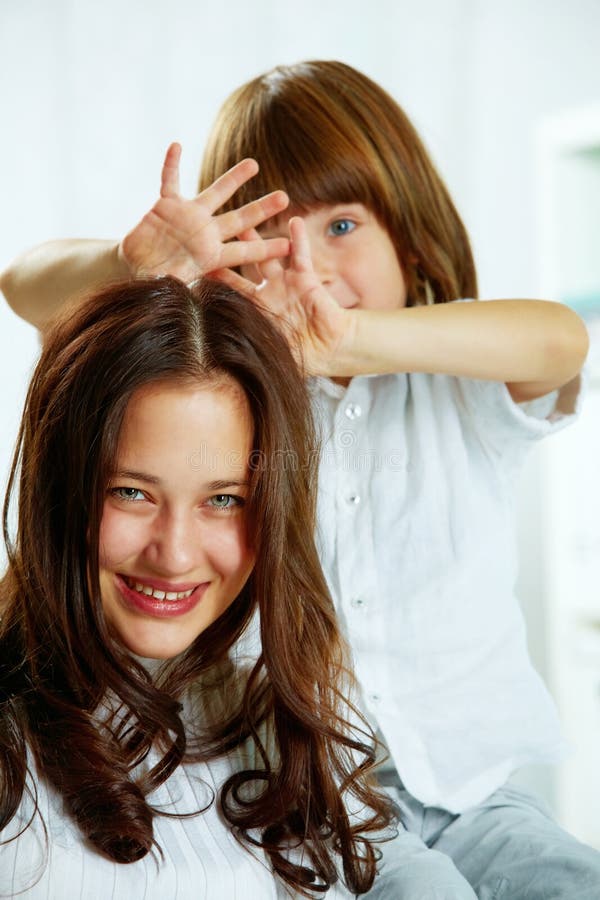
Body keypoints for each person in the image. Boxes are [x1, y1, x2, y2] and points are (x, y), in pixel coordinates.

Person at [1, 59, 598, 897]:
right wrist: (131, 263)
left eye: (342, 226)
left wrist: (355, 340)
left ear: (411, 238)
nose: (307, 266)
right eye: (274, 238)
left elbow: (561, 341)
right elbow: (24, 285)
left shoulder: (460, 393)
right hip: (321, 788)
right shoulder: (241, 406)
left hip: (479, 792)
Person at [0, 275, 396, 899]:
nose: (176, 554)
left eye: (224, 499)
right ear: (58, 492)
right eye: (131, 492)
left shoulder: (289, 721)